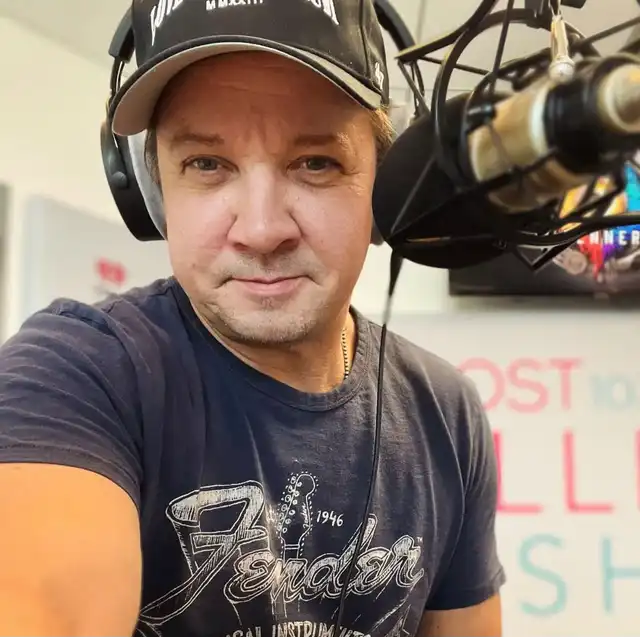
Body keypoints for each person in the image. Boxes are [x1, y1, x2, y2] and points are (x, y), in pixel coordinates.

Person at [0, 0, 505, 635]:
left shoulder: (446, 414)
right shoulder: (72, 377)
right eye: (207, 165)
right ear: (152, 193)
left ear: (387, 186)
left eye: (316, 163)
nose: (262, 231)